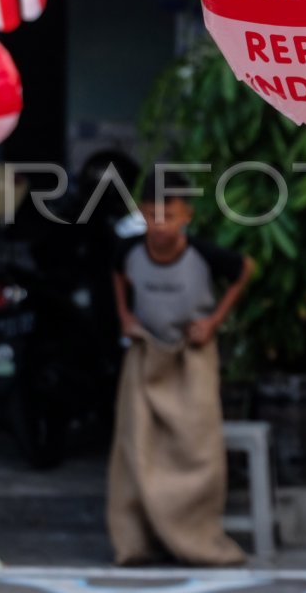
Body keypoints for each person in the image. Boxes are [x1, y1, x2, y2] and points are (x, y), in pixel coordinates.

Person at [107, 170, 253, 566]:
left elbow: (245, 268)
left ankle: (196, 538)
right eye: (151, 215)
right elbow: (117, 274)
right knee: (135, 442)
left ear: (186, 215)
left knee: (196, 445)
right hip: (145, 355)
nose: (160, 225)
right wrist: (125, 316)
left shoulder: (204, 254)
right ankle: (135, 541)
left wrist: (213, 321)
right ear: (141, 213)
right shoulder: (128, 251)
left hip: (191, 356)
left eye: (168, 216)